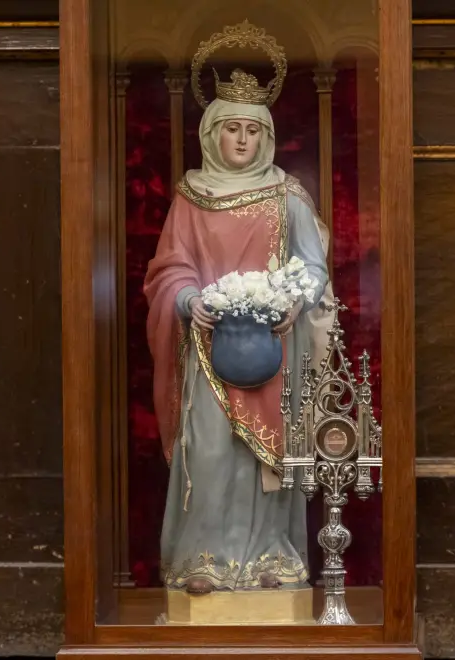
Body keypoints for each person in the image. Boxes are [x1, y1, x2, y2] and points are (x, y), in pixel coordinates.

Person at [143, 65, 334, 595]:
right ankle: (203, 559)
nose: (243, 140)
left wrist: (294, 299)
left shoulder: (286, 195)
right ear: (212, 133)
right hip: (209, 346)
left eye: (253, 130)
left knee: (265, 453)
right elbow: (168, 269)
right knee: (209, 451)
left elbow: (314, 268)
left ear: (267, 137)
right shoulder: (191, 196)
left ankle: (272, 555)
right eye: (233, 128)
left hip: (274, 346)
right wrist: (188, 299)